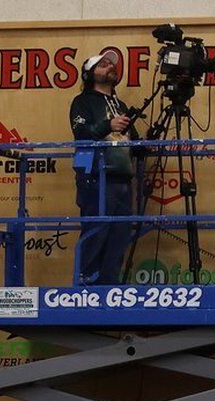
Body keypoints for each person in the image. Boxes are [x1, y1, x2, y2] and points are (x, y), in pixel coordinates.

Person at [69, 50, 138, 285]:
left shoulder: (120, 104)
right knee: (96, 231)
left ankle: (109, 287)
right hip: (97, 178)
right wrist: (109, 124)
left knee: (120, 235)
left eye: (111, 64)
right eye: (102, 65)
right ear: (89, 74)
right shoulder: (82, 102)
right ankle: (86, 285)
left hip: (123, 179)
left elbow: (135, 143)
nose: (109, 66)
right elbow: (81, 135)